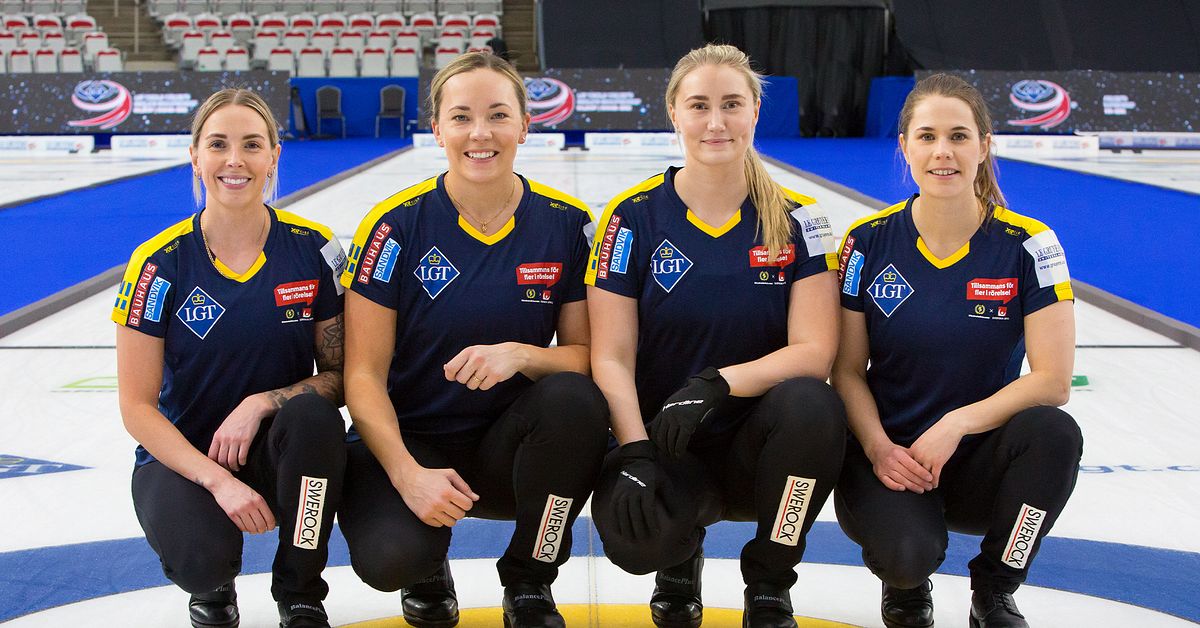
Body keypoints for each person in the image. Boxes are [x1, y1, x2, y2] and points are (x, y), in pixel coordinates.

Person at [338, 52, 608, 628]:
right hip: (412, 443)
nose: (479, 133)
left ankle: (531, 578)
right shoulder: (394, 226)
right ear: (437, 129)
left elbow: (588, 358)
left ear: (524, 126)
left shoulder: (566, 224)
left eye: (497, 115)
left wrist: (522, 355)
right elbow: (361, 375)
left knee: (575, 401)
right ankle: (426, 566)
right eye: (460, 117)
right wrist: (407, 474)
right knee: (392, 559)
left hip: (510, 453)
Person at [587, 44, 847, 628]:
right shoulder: (630, 218)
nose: (715, 122)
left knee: (815, 404)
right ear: (673, 113)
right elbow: (610, 354)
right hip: (667, 442)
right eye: (698, 105)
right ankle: (678, 562)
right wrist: (633, 452)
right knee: (637, 543)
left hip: (761, 444)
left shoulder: (800, 218)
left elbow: (815, 352)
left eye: (732, 104)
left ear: (755, 110)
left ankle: (771, 578)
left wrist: (717, 383)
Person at [830, 73, 1083, 628]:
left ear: (984, 145)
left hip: (979, 460)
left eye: (959, 136)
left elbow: (1053, 381)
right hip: (890, 457)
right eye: (926, 137)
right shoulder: (866, 242)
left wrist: (957, 425)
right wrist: (876, 447)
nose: (942, 152)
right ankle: (905, 584)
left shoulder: (1030, 244)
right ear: (905, 146)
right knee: (904, 557)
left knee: (1054, 433)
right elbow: (845, 371)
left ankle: (995, 586)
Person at [113, 88, 348, 628]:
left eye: (252, 144)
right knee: (201, 562)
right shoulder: (158, 264)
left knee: (313, 419)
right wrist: (217, 480)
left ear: (274, 157)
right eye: (218, 145)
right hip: (185, 453)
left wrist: (263, 401)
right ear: (195, 156)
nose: (235, 160)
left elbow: (342, 375)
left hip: (276, 447)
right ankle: (214, 584)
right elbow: (136, 408)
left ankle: (301, 590)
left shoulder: (316, 249)